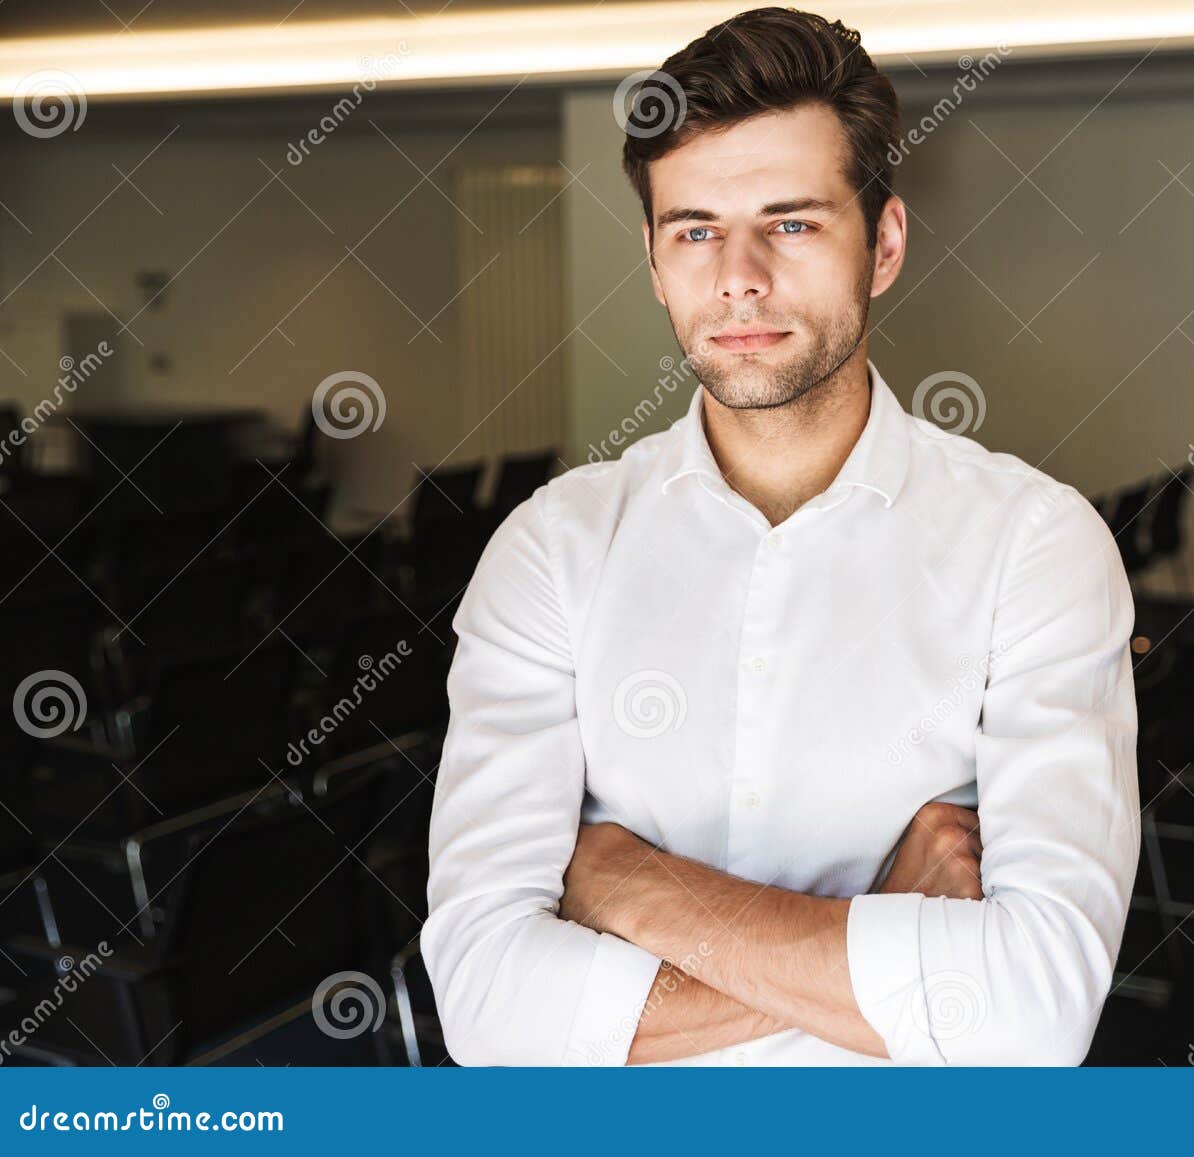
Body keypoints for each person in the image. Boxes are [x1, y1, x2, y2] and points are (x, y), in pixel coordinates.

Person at [421, 5, 1140, 1066]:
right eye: (695, 230)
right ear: (655, 261)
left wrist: (628, 881)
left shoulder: (1035, 546)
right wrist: (884, 923)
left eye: (791, 223)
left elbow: (1032, 1019)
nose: (739, 275)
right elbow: (489, 1012)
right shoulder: (549, 551)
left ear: (883, 244)